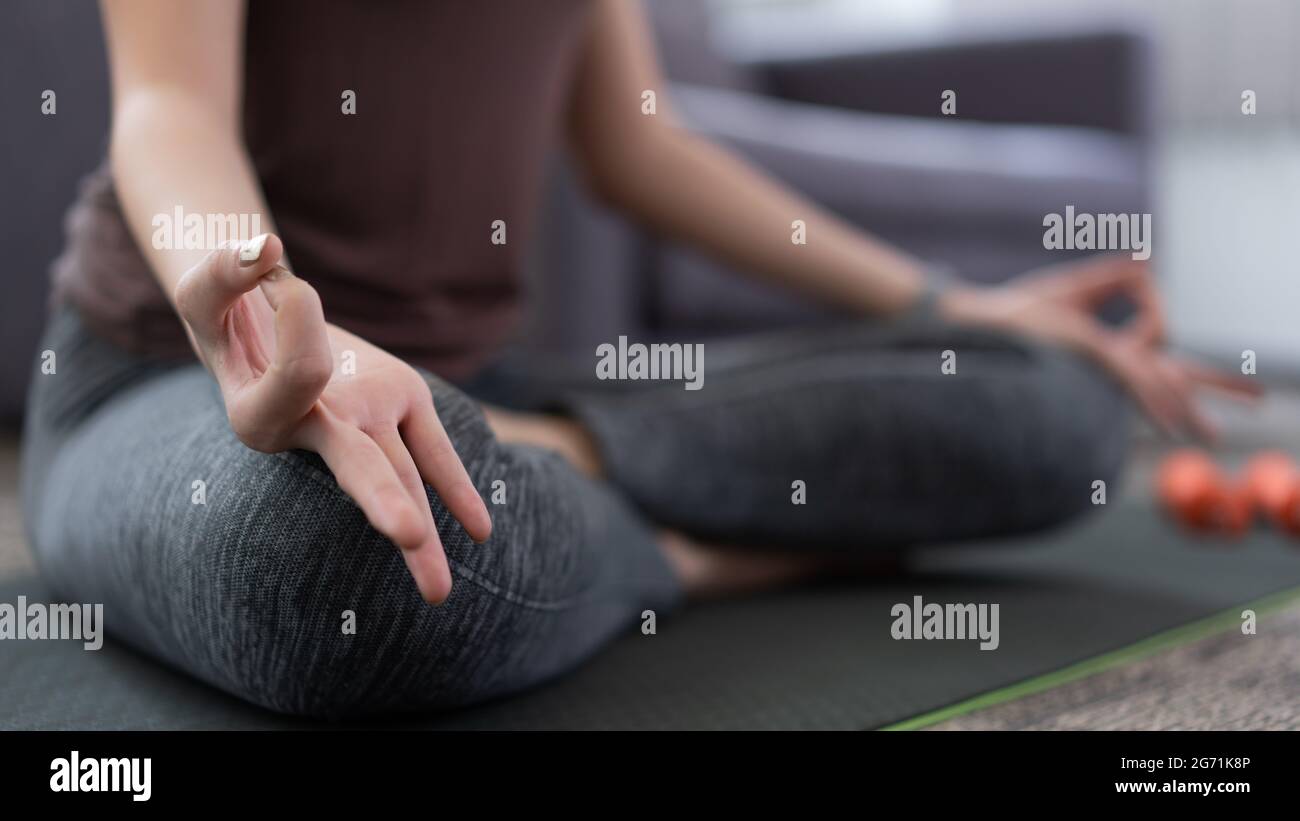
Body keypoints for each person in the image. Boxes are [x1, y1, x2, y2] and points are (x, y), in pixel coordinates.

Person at [20, 0, 1254, 718]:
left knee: (1057, 400)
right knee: (345, 558)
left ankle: (575, 465)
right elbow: (165, 108)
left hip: (486, 389)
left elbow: (640, 146)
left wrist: (956, 300)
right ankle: (694, 549)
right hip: (170, 381)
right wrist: (257, 313)